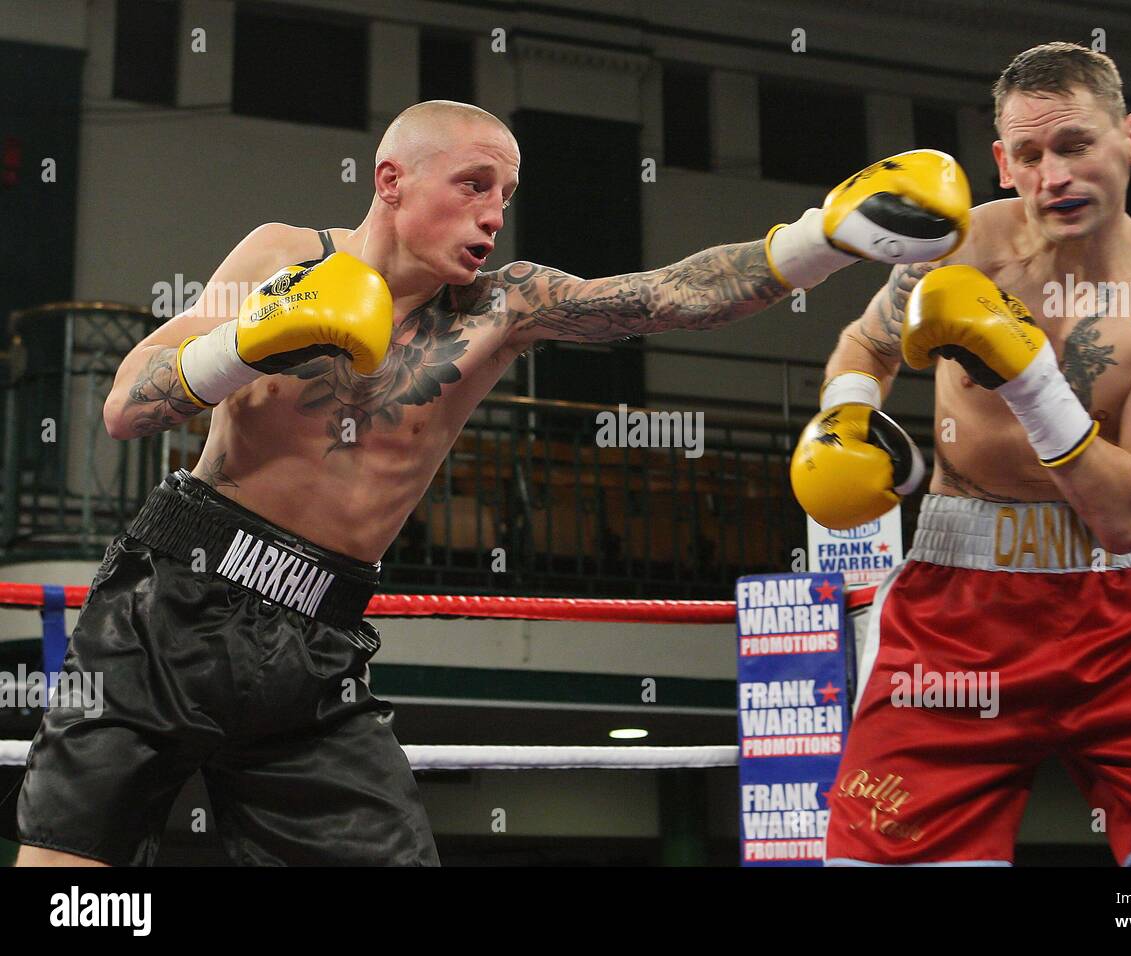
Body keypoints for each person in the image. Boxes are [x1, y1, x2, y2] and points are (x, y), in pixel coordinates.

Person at [10, 100, 970, 865]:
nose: (492, 213)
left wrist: (822, 235)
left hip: (315, 642)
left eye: (505, 194)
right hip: (170, 599)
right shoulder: (281, 255)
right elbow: (126, 406)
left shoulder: (503, 307)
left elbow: (665, 296)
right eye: (472, 185)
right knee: (74, 875)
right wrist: (246, 340)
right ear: (390, 181)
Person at [793, 43, 1131, 866]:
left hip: (1126, 617)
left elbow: (1129, 515)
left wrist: (1028, 377)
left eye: (1074, 145)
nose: (1052, 174)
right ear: (1001, 163)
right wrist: (845, 418)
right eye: (1029, 154)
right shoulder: (955, 243)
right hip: (957, 612)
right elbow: (866, 345)